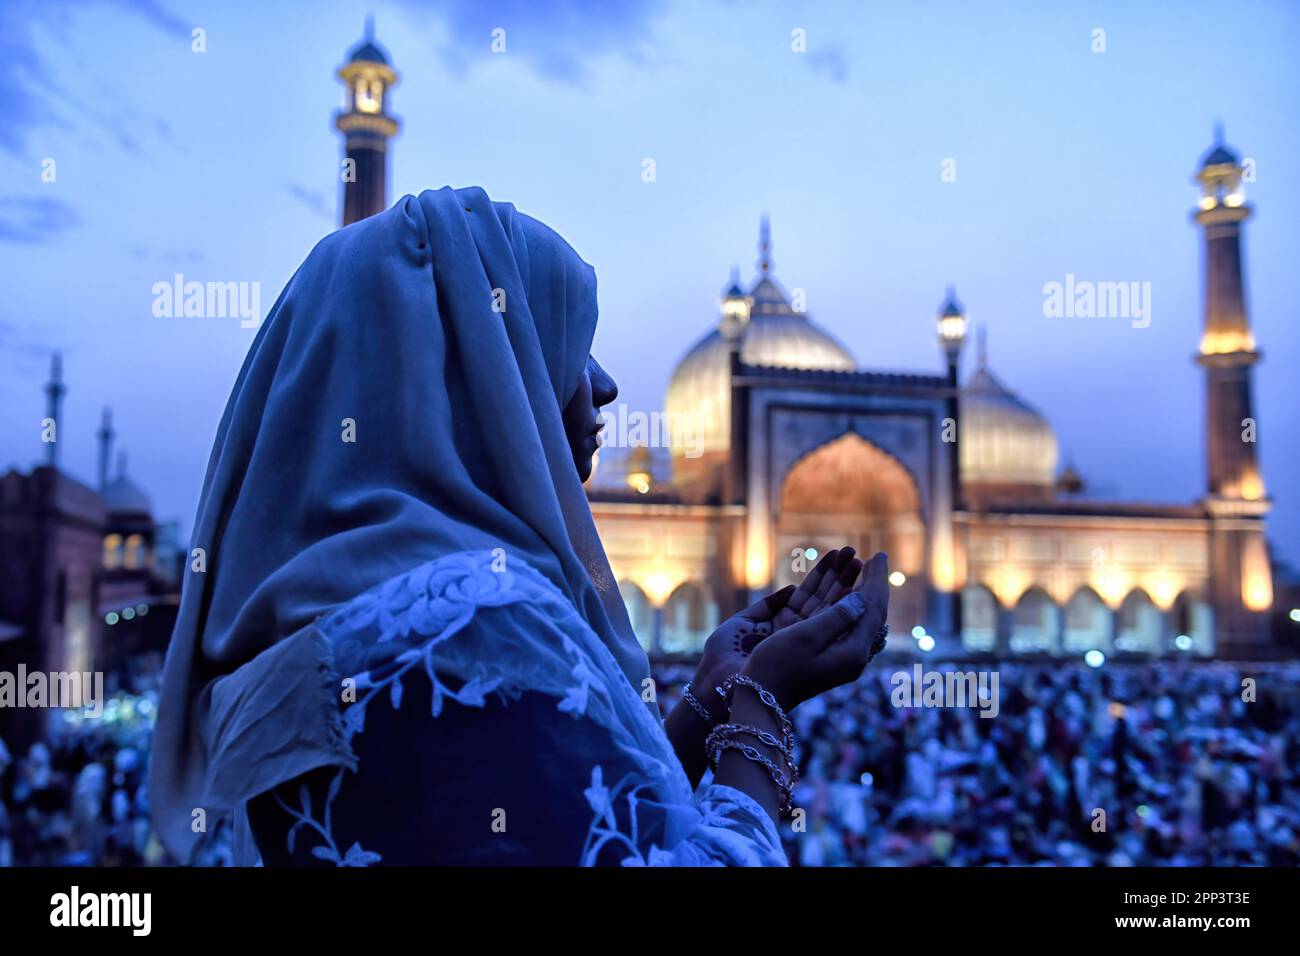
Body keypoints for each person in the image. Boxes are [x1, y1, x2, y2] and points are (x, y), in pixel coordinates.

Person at [148, 187, 890, 866]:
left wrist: (706, 700)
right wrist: (765, 697)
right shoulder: (467, 616)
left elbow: (554, 833)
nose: (602, 383)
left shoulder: (330, 617)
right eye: (560, 344)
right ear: (472, 372)